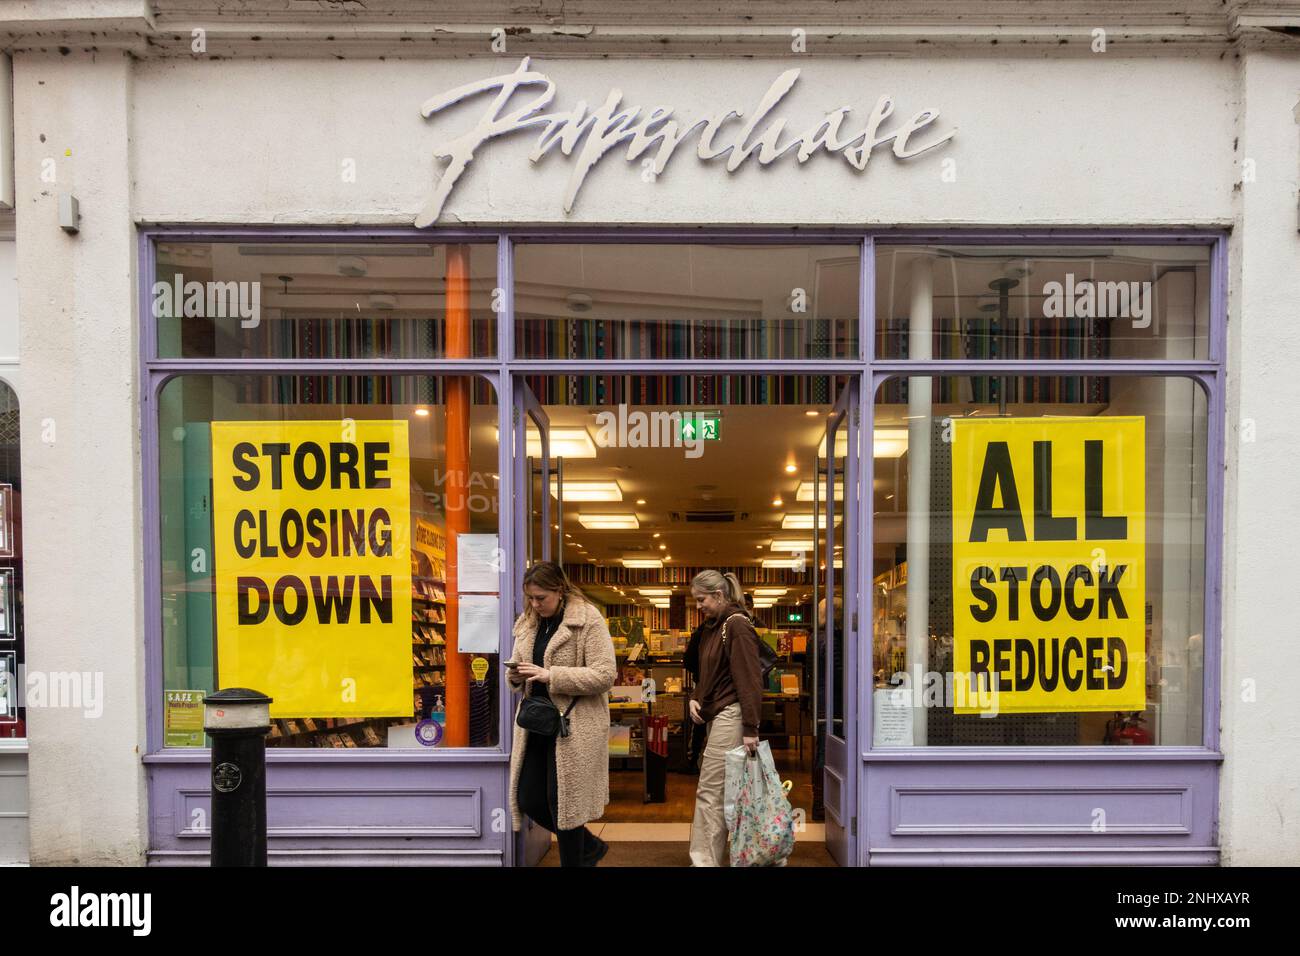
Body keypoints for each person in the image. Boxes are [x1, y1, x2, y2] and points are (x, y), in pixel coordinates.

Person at [507, 561, 617, 867]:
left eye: (541, 597)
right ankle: (591, 849)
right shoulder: (529, 622)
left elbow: (605, 674)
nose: (535, 604)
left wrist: (551, 675)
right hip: (535, 725)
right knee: (529, 798)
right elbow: (519, 663)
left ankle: (579, 859)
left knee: (566, 808)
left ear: (559, 590)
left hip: (573, 729)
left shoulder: (587, 619)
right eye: (530, 597)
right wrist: (516, 676)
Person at [687, 569, 764, 867]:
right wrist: (696, 696)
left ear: (719, 596)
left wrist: (750, 727)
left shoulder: (737, 625)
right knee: (724, 791)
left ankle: (704, 862)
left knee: (711, 791)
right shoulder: (713, 626)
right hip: (718, 715)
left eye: (701, 599)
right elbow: (710, 672)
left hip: (731, 716)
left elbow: (749, 680)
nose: (698, 606)